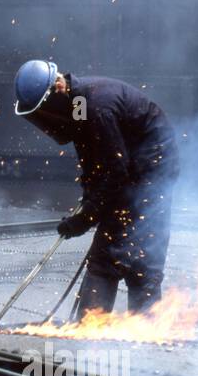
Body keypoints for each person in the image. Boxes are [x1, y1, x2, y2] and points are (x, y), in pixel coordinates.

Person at [12, 59, 179, 317]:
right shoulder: (78, 103)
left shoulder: (98, 106)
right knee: (114, 248)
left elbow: (115, 173)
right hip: (131, 165)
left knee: (129, 253)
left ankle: (138, 327)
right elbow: (92, 152)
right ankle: (107, 324)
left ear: (57, 87)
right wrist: (90, 193)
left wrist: (86, 218)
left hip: (152, 169)